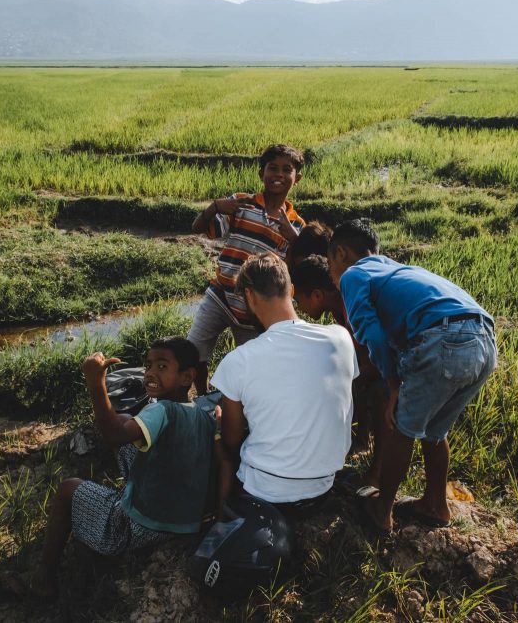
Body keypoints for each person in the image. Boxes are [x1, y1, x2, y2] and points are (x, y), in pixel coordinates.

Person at [327, 219, 497, 535]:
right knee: (434, 430)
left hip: (443, 339)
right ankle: (435, 504)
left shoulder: (354, 274)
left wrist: (393, 384)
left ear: (339, 253)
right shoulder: (400, 270)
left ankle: (382, 509)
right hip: (484, 341)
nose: (332, 277)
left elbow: (372, 335)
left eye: (328, 266)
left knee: (401, 427)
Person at [32, 337, 218, 598]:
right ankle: (128, 491)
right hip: (184, 520)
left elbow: (113, 435)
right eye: (148, 365)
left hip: (145, 525)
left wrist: (96, 384)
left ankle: (44, 578)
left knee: (67, 489)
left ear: (187, 376)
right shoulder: (201, 414)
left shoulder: (161, 411)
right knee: (126, 420)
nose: (151, 373)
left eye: (162, 367)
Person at [213, 252, 357, 515]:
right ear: (290, 290)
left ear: (249, 296)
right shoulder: (341, 339)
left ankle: (220, 514)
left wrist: (223, 424)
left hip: (264, 493)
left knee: (219, 442)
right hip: (323, 484)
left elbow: (232, 441)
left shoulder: (238, 360)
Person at [188, 144, 306, 394]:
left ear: (297, 178)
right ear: (261, 172)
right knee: (194, 352)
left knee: (254, 367)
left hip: (256, 311)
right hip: (221, 295)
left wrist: (294, 239)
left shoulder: (296, 224)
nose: (279, 174)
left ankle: (237, 407)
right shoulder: (241, 204)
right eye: (272, 168)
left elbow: (299, 268)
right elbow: (198, 228)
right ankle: (202, 395)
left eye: (287, 169)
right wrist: (215, 207)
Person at [291, 254, 386, 490]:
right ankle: (360, 439)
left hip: (400, 358)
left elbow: (373, 364)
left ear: (317, 295)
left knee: (373, 390)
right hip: (382, 358)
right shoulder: (337, 308)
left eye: (298, 300)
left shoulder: (350, 306)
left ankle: (376, 467)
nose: (299, 308)